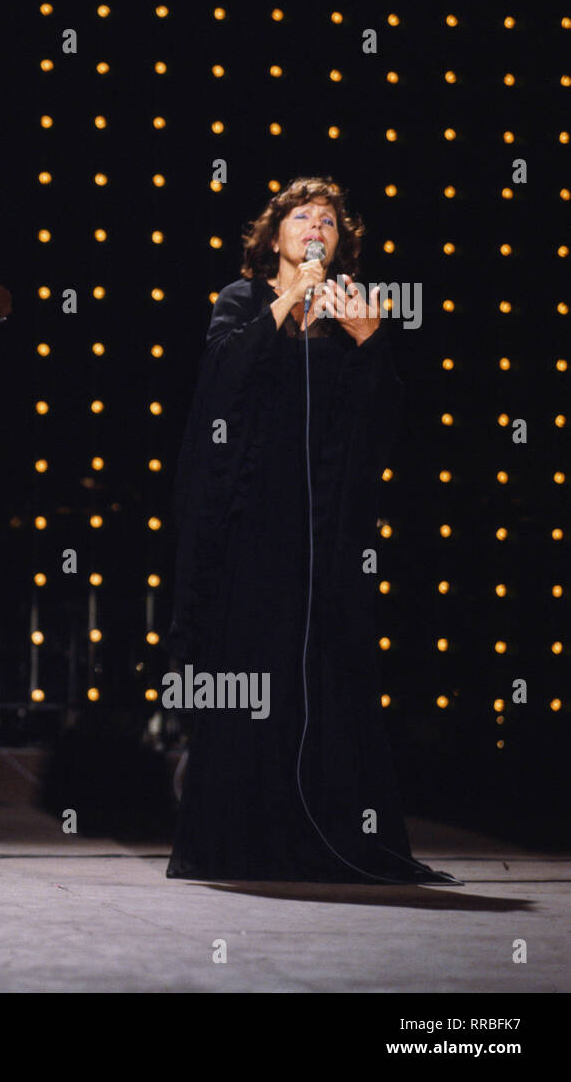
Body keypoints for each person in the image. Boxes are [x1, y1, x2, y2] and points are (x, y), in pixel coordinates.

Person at [165, 176, 453, 884]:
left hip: (323, 524)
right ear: (275, 235)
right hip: (246, 522)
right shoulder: (243, 299)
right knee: (249, 670)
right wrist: (293, 296)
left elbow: (383, 420)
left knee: (324, 669)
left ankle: (330, 831)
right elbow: (222, 379)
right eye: (302, 215)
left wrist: (370, 338)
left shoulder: (352, 309)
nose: (316, 224)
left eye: (328, 218)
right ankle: (237, 838)